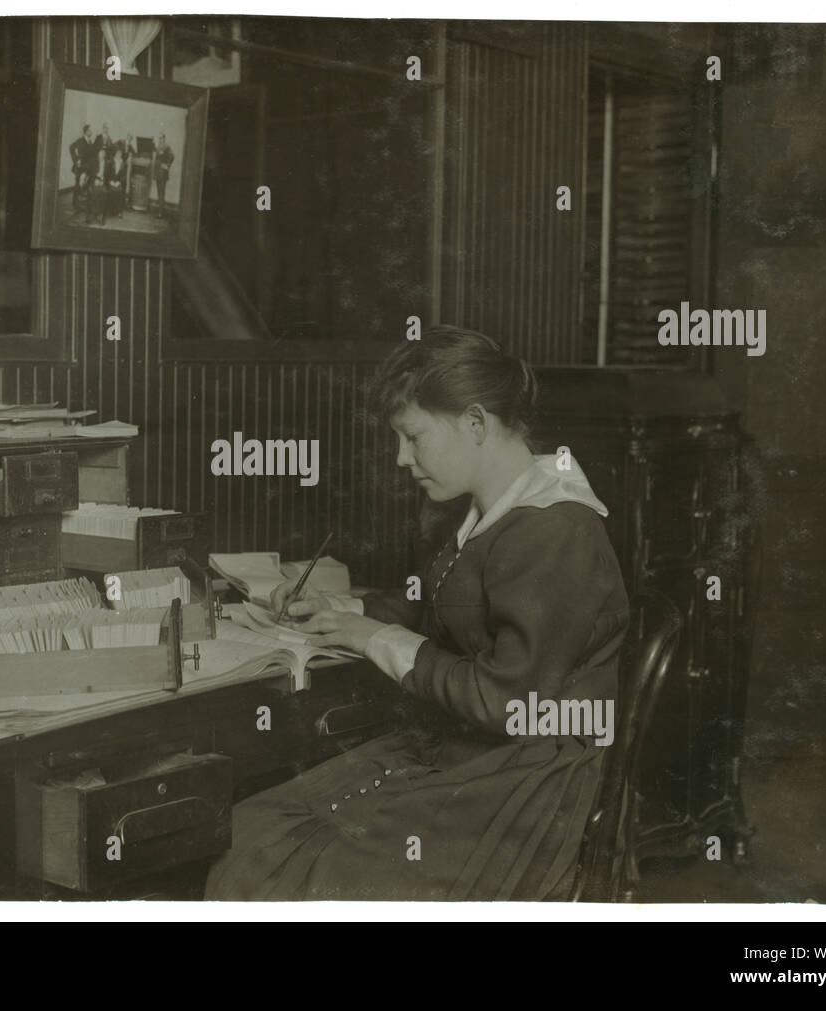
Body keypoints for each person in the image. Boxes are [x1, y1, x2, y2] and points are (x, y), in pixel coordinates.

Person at [204, 326, 630, 901]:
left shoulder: (555, 530)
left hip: (525, 778)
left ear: (475, 424)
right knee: (251, 833)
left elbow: (507, 703)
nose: (402, 459)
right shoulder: (493, 512)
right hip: (467, 751)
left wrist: (375, 636)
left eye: (412, 437)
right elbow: (447, 610)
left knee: (307, 870)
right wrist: (343, 610)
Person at [68, 124, 99, 209]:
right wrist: (76, 160)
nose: (91, 132)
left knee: (84, 184)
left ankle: (81, 203)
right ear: (86, 131)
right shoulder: (80, 140)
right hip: (80, 167)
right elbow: (71, 148)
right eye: (90, 130)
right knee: (78, 184)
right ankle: (75, 203)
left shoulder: (90, 142)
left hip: (88, 167)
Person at [153, 134, 175, 216]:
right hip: (158, 173)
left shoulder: (166, 146)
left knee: (161, 193)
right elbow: (157, 155)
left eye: (161, 138)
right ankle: (160, 211)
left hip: (163, 174)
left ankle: (160, 212)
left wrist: (167, 165)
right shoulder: (159, 146)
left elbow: (172, 155)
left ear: (164, 138)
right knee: (159, 192)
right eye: (159, 138)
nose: (160, 139)